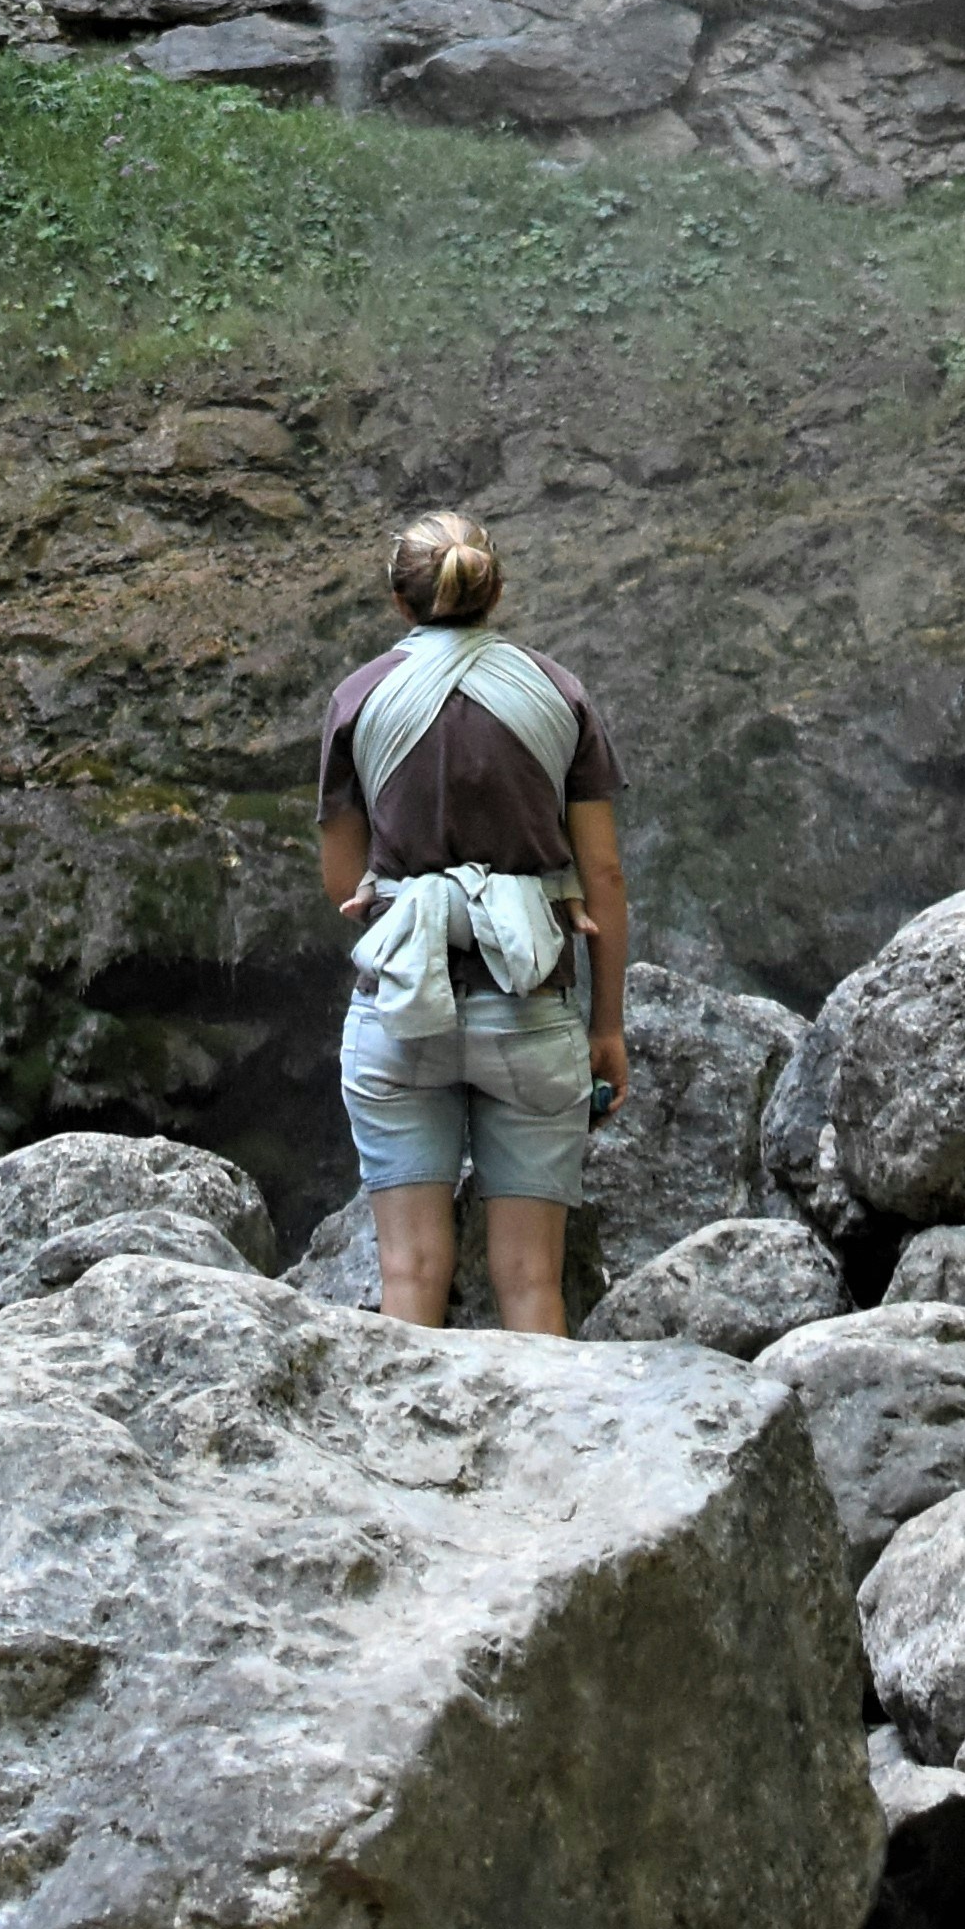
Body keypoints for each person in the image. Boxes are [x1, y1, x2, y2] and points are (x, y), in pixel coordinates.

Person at [315, 505, 632, 1337]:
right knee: (531, 1284)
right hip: (531, 1009)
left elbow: (344, 878)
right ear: (498, 589)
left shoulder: (358, 700)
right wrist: (607, 1026)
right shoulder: (559, 694)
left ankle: (399, 1461)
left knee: (408, 1274)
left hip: (400, 1012)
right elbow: (600, 873)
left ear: (399, 601)